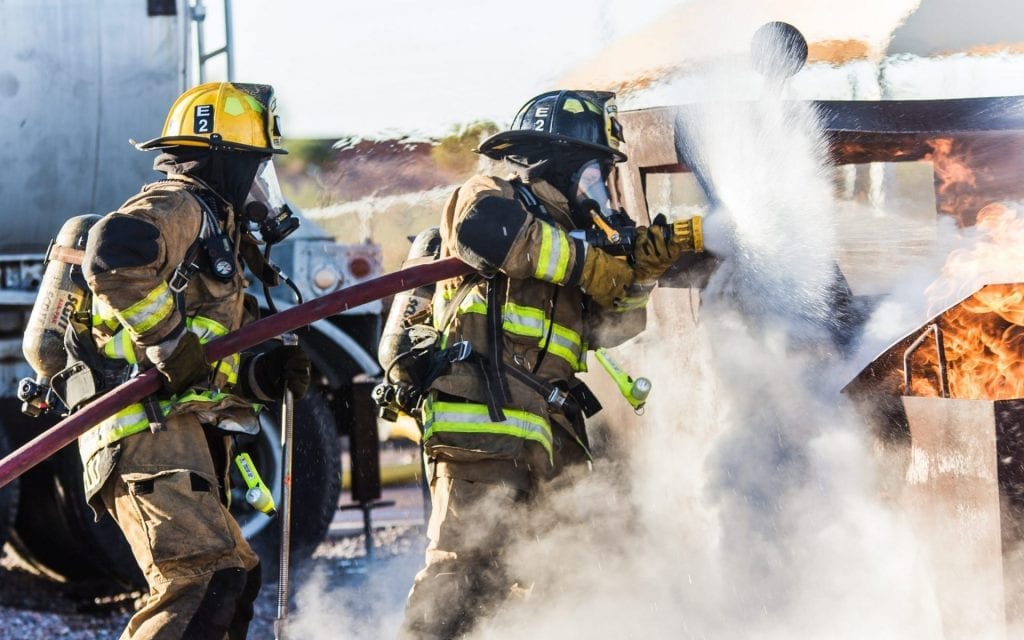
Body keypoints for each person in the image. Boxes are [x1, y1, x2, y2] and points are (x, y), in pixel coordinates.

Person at [398, 89, 703, 639]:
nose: (601, 192)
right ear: (556, 162)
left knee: (560, 579)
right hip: (481, 429)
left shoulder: (573, 242)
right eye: (595, 175)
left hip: (550, 436)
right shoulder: (493, 195)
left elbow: (611, 328)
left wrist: (641, 275)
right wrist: (590, 264)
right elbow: (486, 231)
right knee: (459, 581)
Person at [77, 82, 310, 639]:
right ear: (222, 160)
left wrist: (260, 375)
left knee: (233, 578)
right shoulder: (177, 204)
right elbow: (111, 254)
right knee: (202, 580)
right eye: (255, 167)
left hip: (178, 429)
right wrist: (170, 342)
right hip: (141, 427)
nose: (261, 185)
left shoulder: (217, 229)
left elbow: (204, 359)